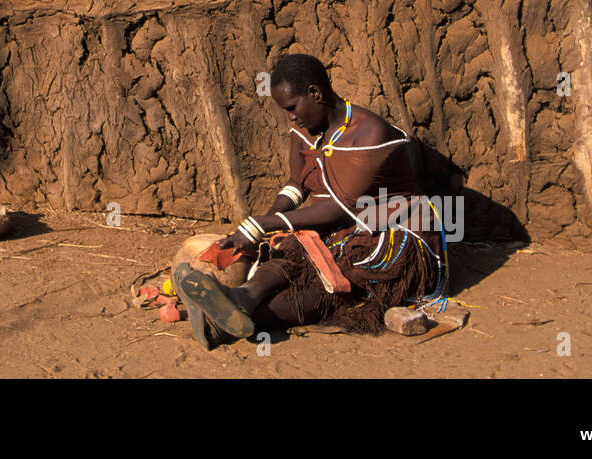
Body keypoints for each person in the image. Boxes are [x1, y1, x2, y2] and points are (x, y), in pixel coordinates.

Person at [172, 53, 449, 348]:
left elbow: (340, 208)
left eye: (292, 107)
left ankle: (238, 322)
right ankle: (241, 297)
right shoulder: (305, 130)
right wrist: (261, 230)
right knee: (293, 248)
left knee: (341, 279)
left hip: (394, 231)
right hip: (347, 227)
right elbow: (296, 185)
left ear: (316, 93)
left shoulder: (369, 133)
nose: (290, 117)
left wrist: (262, 224)